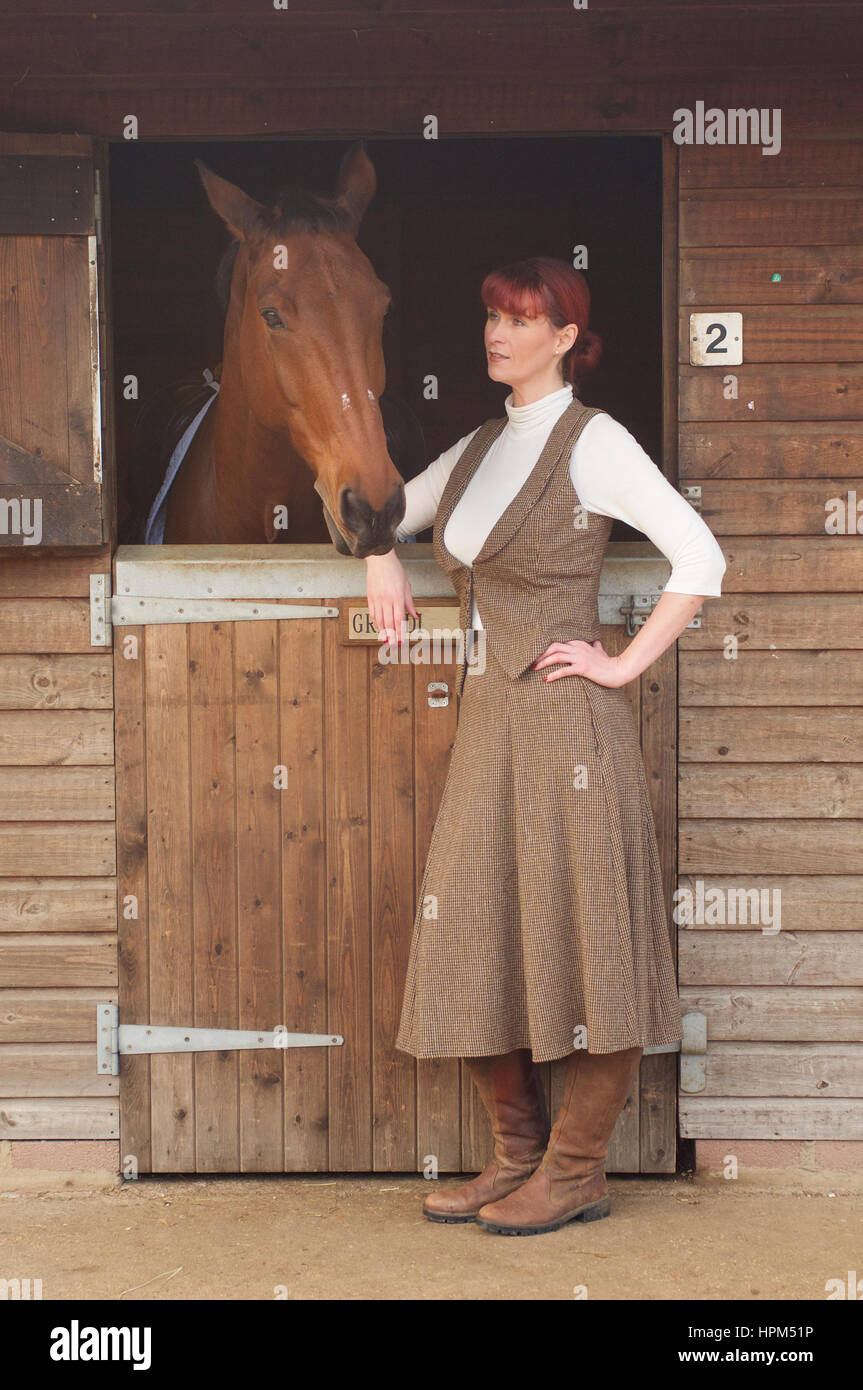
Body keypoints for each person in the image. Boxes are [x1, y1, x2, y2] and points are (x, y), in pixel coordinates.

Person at [365, 257, 726, 1237]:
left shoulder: (592, 440)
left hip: (569, 720)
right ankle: (517, 1154)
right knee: (469, 929)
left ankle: (573, 1172)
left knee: (594, 944)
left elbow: (700, 556)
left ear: (564, 339)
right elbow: (382, 506)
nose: (497, 333)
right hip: (489, 727)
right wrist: (374, 558)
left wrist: (620, 664)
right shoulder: (482, 445)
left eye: (520, 320)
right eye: (491, 314)